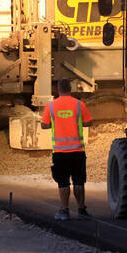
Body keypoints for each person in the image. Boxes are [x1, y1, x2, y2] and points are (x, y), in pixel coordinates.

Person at [41, 78, 93, 219]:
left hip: (59, 152)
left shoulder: (51, 106)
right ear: (71, 89)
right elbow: (88, 122)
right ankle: (81, 210)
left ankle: (64, 211)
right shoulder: (79, 104)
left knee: (63, 182)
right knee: (79, 181)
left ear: (58, 90)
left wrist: (57, 123)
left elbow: (44, 125)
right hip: (77, 151)